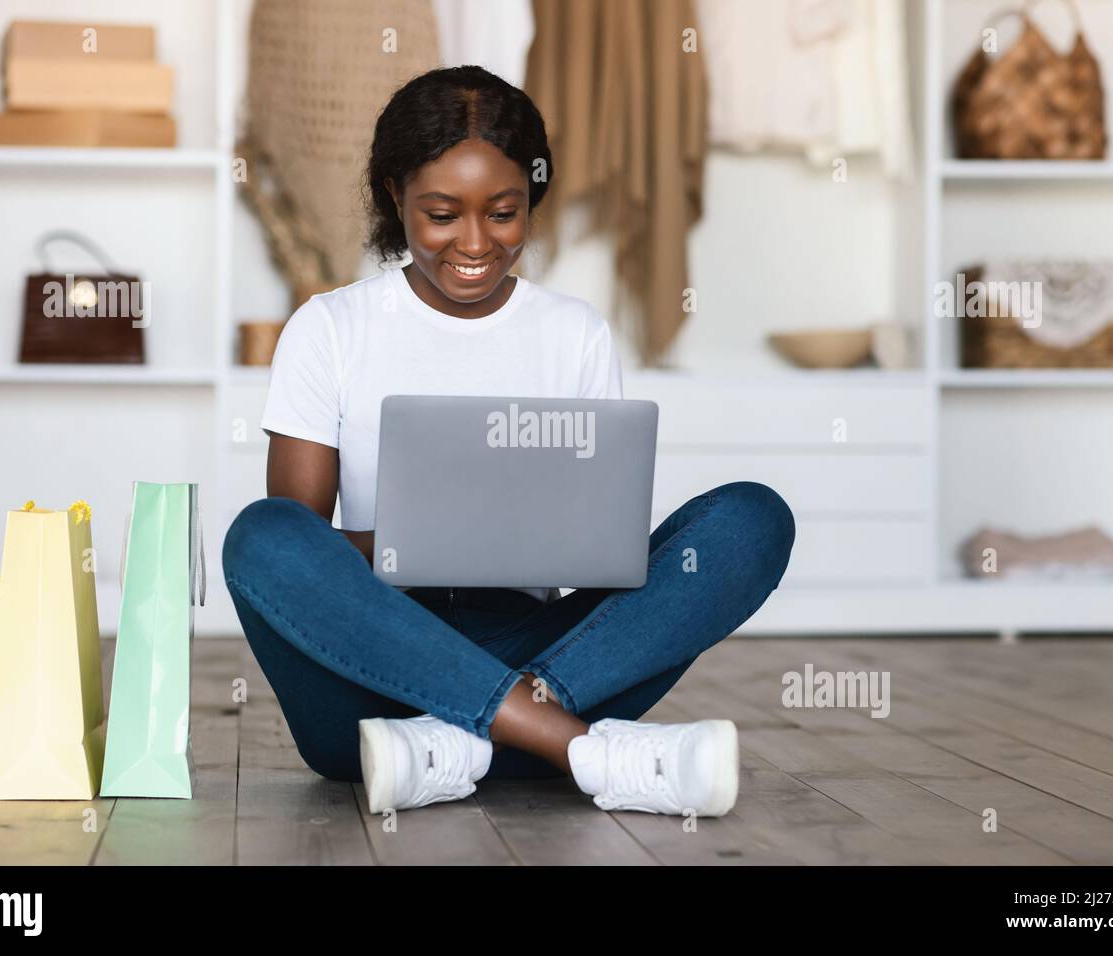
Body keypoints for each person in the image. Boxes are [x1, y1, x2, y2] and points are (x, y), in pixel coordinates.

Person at [222, 65, 795, 819]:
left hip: (537, 650)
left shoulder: (574, 333)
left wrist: (546, 545)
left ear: (531, 201)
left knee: (752, 519)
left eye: (502, 213)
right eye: (441, 214)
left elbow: (603, 543)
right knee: (260, 536)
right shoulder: (330, 329)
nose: (474, 242)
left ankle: (462, 740)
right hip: (370, 671)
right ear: (396, 198)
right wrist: (410, 542)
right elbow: (300, 550)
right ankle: (580, 750)